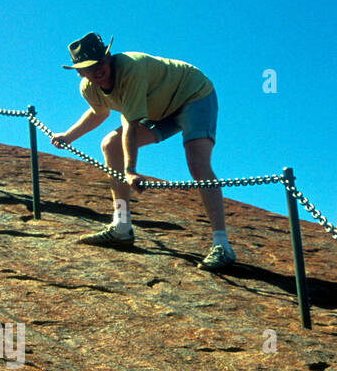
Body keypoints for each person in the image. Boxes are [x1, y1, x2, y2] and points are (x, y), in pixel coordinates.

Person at [50, 32, 234, 270]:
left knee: (197, 163)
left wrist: (130, 169)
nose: (97, 69)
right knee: (110, 145)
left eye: (100, 61)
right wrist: (69, 136)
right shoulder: (88, 88)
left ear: (109, 55)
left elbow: (131, 125)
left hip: (193, 94)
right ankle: (122, 225)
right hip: (157, 108)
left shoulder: (130, 68)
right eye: (89, 66)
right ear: (79, 71)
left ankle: (222, 245)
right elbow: (99, 112)